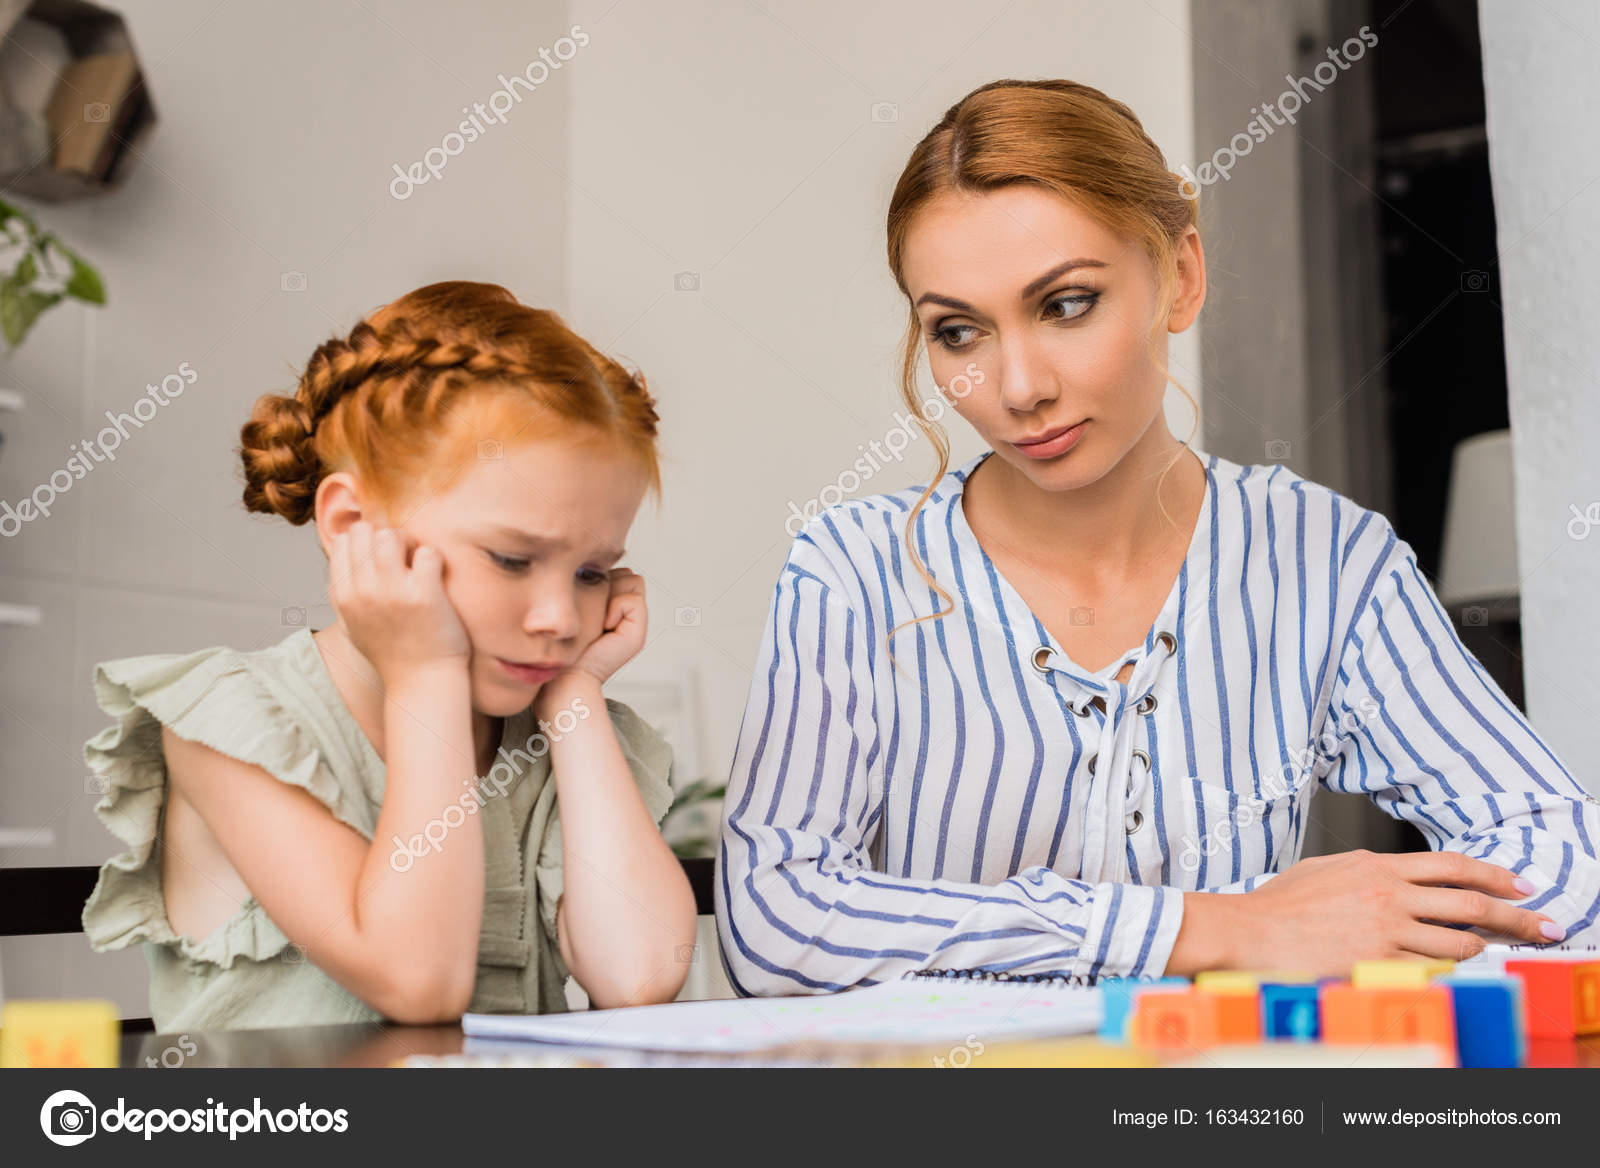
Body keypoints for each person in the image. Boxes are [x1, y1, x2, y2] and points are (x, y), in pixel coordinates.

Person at [716, 80, 1600, 995]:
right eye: (958, 330)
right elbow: (775, 925)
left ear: (1181, 277)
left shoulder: (1327, 559)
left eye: (1065, 305)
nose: (1017, 387)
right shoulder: (852, 571)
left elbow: (1564, 857)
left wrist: (1375, 926)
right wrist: (1219, 928)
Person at [83, 281, 695, 1030]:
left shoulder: (558, 736)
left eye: (592, 573)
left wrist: (576, 701)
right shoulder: (229, 725)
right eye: (511, 559)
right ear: (349, 524)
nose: (559, 617)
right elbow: (420, 981)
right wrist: (427, 674)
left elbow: (639, 977)